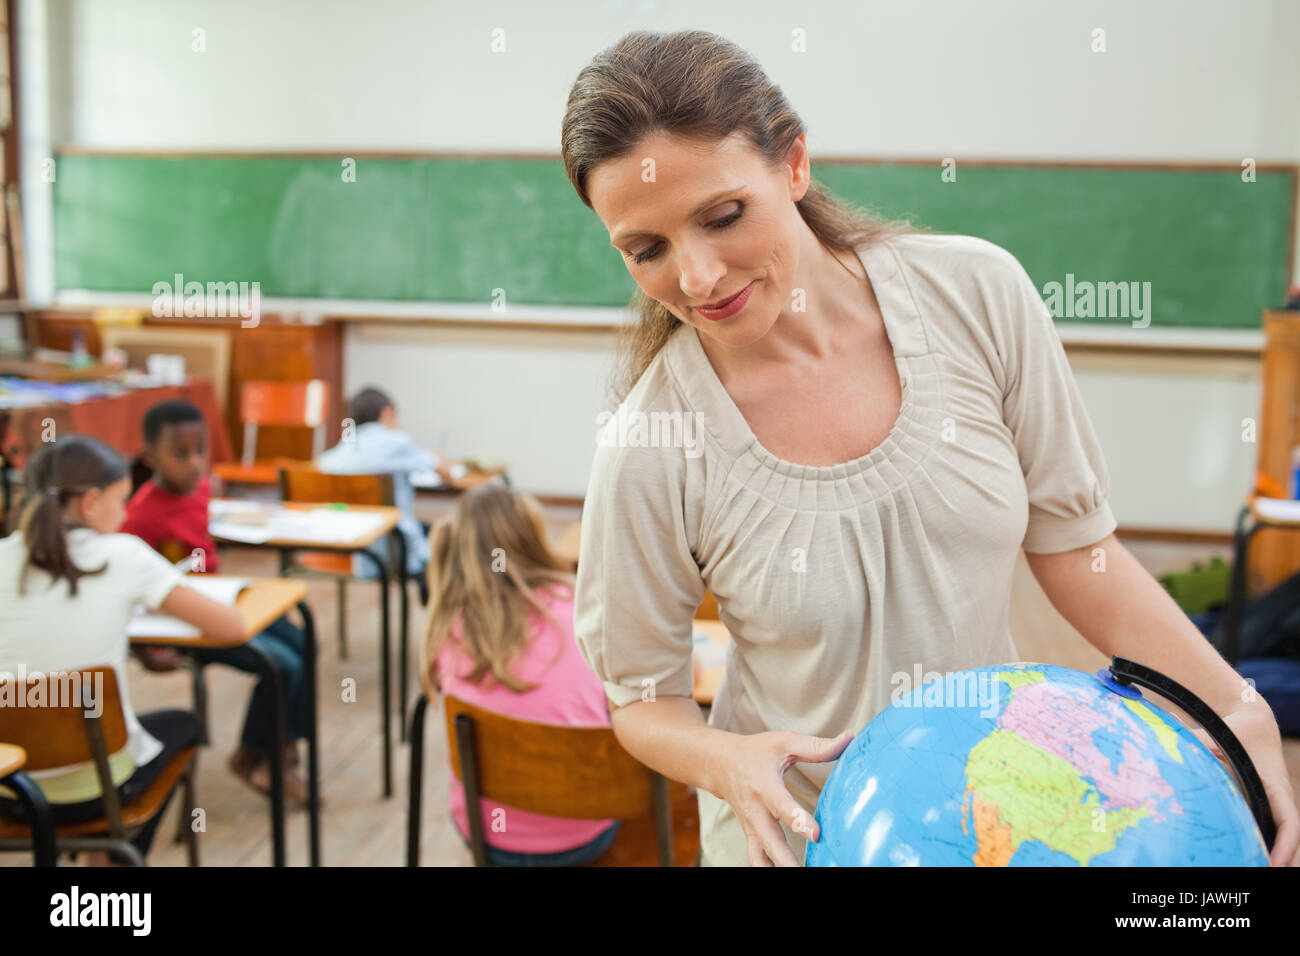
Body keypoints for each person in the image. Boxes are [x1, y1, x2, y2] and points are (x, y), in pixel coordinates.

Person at [561, 30, 1299, 867]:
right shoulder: (651, 444)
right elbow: (642, 701)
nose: (695, 277)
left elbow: (1076, 549)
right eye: (645, 249)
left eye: (723, 216)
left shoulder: (979, 295)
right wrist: (729, 761)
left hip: (991, 820)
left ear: (794, 164)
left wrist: (1237, 706)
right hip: (805, 843)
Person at [0, 434, 244, 864]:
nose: (127, 513)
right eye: (121, 500)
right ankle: (107, 863)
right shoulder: (124, 555)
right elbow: (231, 627)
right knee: (184, 724)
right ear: (91, 502)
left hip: (9, 786)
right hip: (91, 794)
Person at [419, 482, 621, 866]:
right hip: (585, 832)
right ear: (534, 539)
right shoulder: (587, 614)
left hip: (487, 836)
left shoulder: (445, 633)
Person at [120, 399, 310, 804]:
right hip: (183, 622)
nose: (194, 464)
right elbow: (128, 593)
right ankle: (255, 757)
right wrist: (147, 652)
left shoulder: (202, 488)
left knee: (304, 643)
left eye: (200, 451)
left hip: (220, 598)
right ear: (150, 457)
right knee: (281, 666)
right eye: (180, 454)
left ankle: (278, 750)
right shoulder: (139, 517)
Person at [317, 386, 456, 592]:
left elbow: (322, 464)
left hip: (352, 545)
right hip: (394, 546)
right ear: (388, 412)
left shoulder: (345, 447)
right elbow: (445, 469)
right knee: (447, 534)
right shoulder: (397, 442)